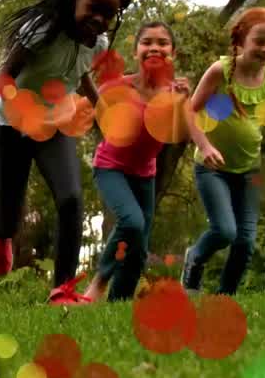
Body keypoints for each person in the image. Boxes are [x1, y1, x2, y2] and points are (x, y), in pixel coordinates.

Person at [0, 0, 135, 301]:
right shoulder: (40, 31)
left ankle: (63, 289)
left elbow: (81, 76)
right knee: (10, 216)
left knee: (70, 199)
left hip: (56, 127)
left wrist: (104, 114)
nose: (99, 19)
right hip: (12, 127)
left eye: (108, 14)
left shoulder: (96, 44)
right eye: (94, 8)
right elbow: (4, 77)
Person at [181, 7, 265, 295]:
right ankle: (195, 258)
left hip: (248, 170)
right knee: (224, 231)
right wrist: (204, 146)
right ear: (241, 41)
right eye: (260, 41)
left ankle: (225, 298)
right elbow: (190, 111)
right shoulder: (222, 71)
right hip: (212, 169)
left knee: (245, 241)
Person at [79, 21, 190, 303]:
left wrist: (182, 103)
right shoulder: (117, 87)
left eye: (163, 43)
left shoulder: (174, 92)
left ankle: (119, 303)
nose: (155, 47)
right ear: (136, 50)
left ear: (172, 53)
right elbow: (98, 116)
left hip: (145, 174)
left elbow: (178, 136)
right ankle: (98, 285)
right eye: (147, 42)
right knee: (132, 222)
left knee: (138, 249)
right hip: (111, 168)